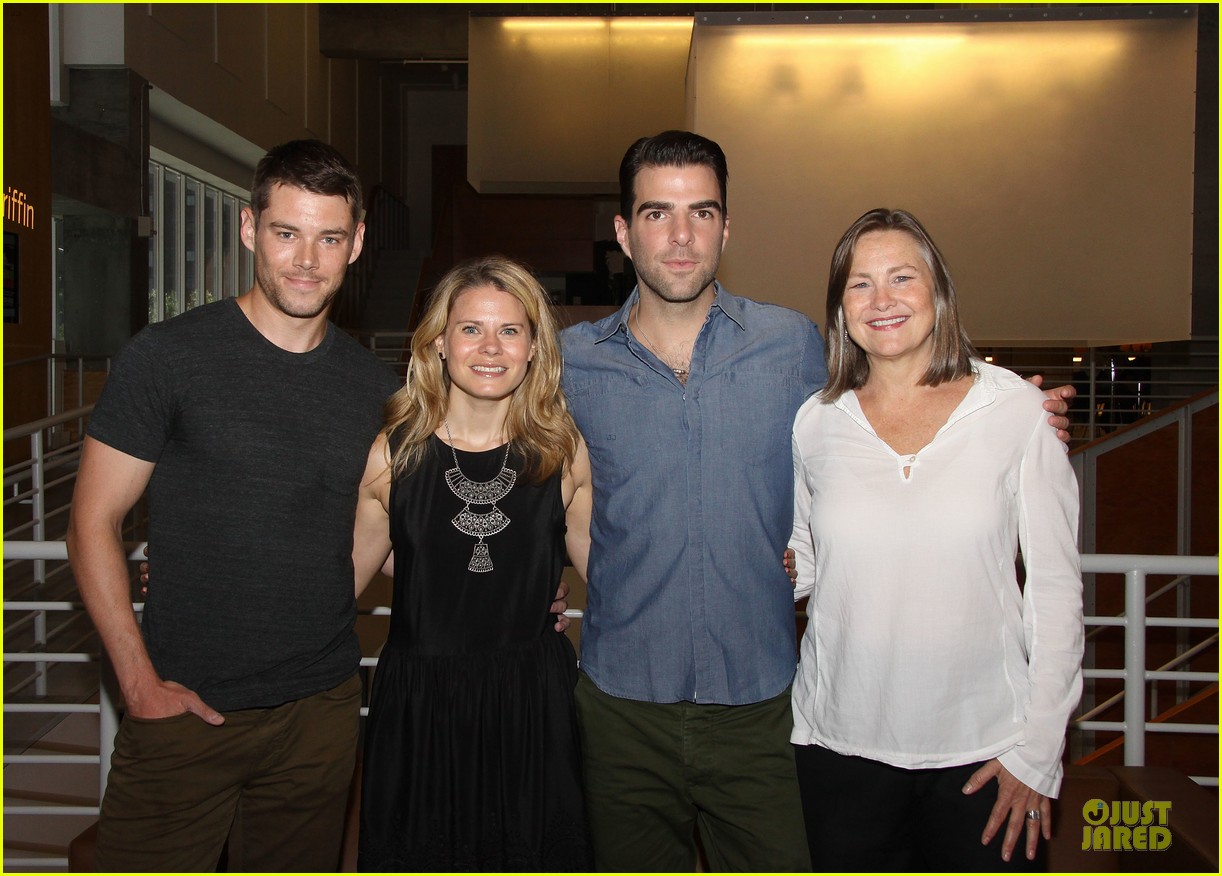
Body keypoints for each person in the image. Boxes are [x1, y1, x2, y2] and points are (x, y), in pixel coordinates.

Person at [559, 131, 1077, 871]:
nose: (680, 236)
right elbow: (499, 451)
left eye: (701, 213)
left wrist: (1010, 400)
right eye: (655, 214)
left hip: (765, 710)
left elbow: (897, 370)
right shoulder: (570, 362)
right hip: (622, 706)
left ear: (726, 227)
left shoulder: (792, 348)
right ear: (622, 230)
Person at [68, 140, 568, 870]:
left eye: (329, 237)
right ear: (250, 230)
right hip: (185, 706)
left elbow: (401, 542)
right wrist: (138, 684)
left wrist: (517, 583)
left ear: (356, 244)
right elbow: (91, 525)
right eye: (286, 232)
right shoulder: (168, 357)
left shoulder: (378, 396)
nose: (307, 259)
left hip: (322, 714)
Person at [788, 208, 1084, 871]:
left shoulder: (1016, 412)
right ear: (840, 307)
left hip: (985, 753)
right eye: (860, 283)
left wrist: (1038, 751)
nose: (882, 300)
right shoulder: (817, 422)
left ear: (938, 292)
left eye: (902, 277)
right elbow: (806, 561)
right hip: (838, 747)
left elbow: (1057, 594)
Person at [352, 256, 594, 871]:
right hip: (420, 708)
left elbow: (609, 571)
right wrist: (207, 579)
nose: (491, 348)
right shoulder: (393, 454)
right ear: (438, 343)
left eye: (510, 330)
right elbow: (341, 579)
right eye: (471, 329)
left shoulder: (561, 450)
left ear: (535, 346)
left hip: (532, 703)